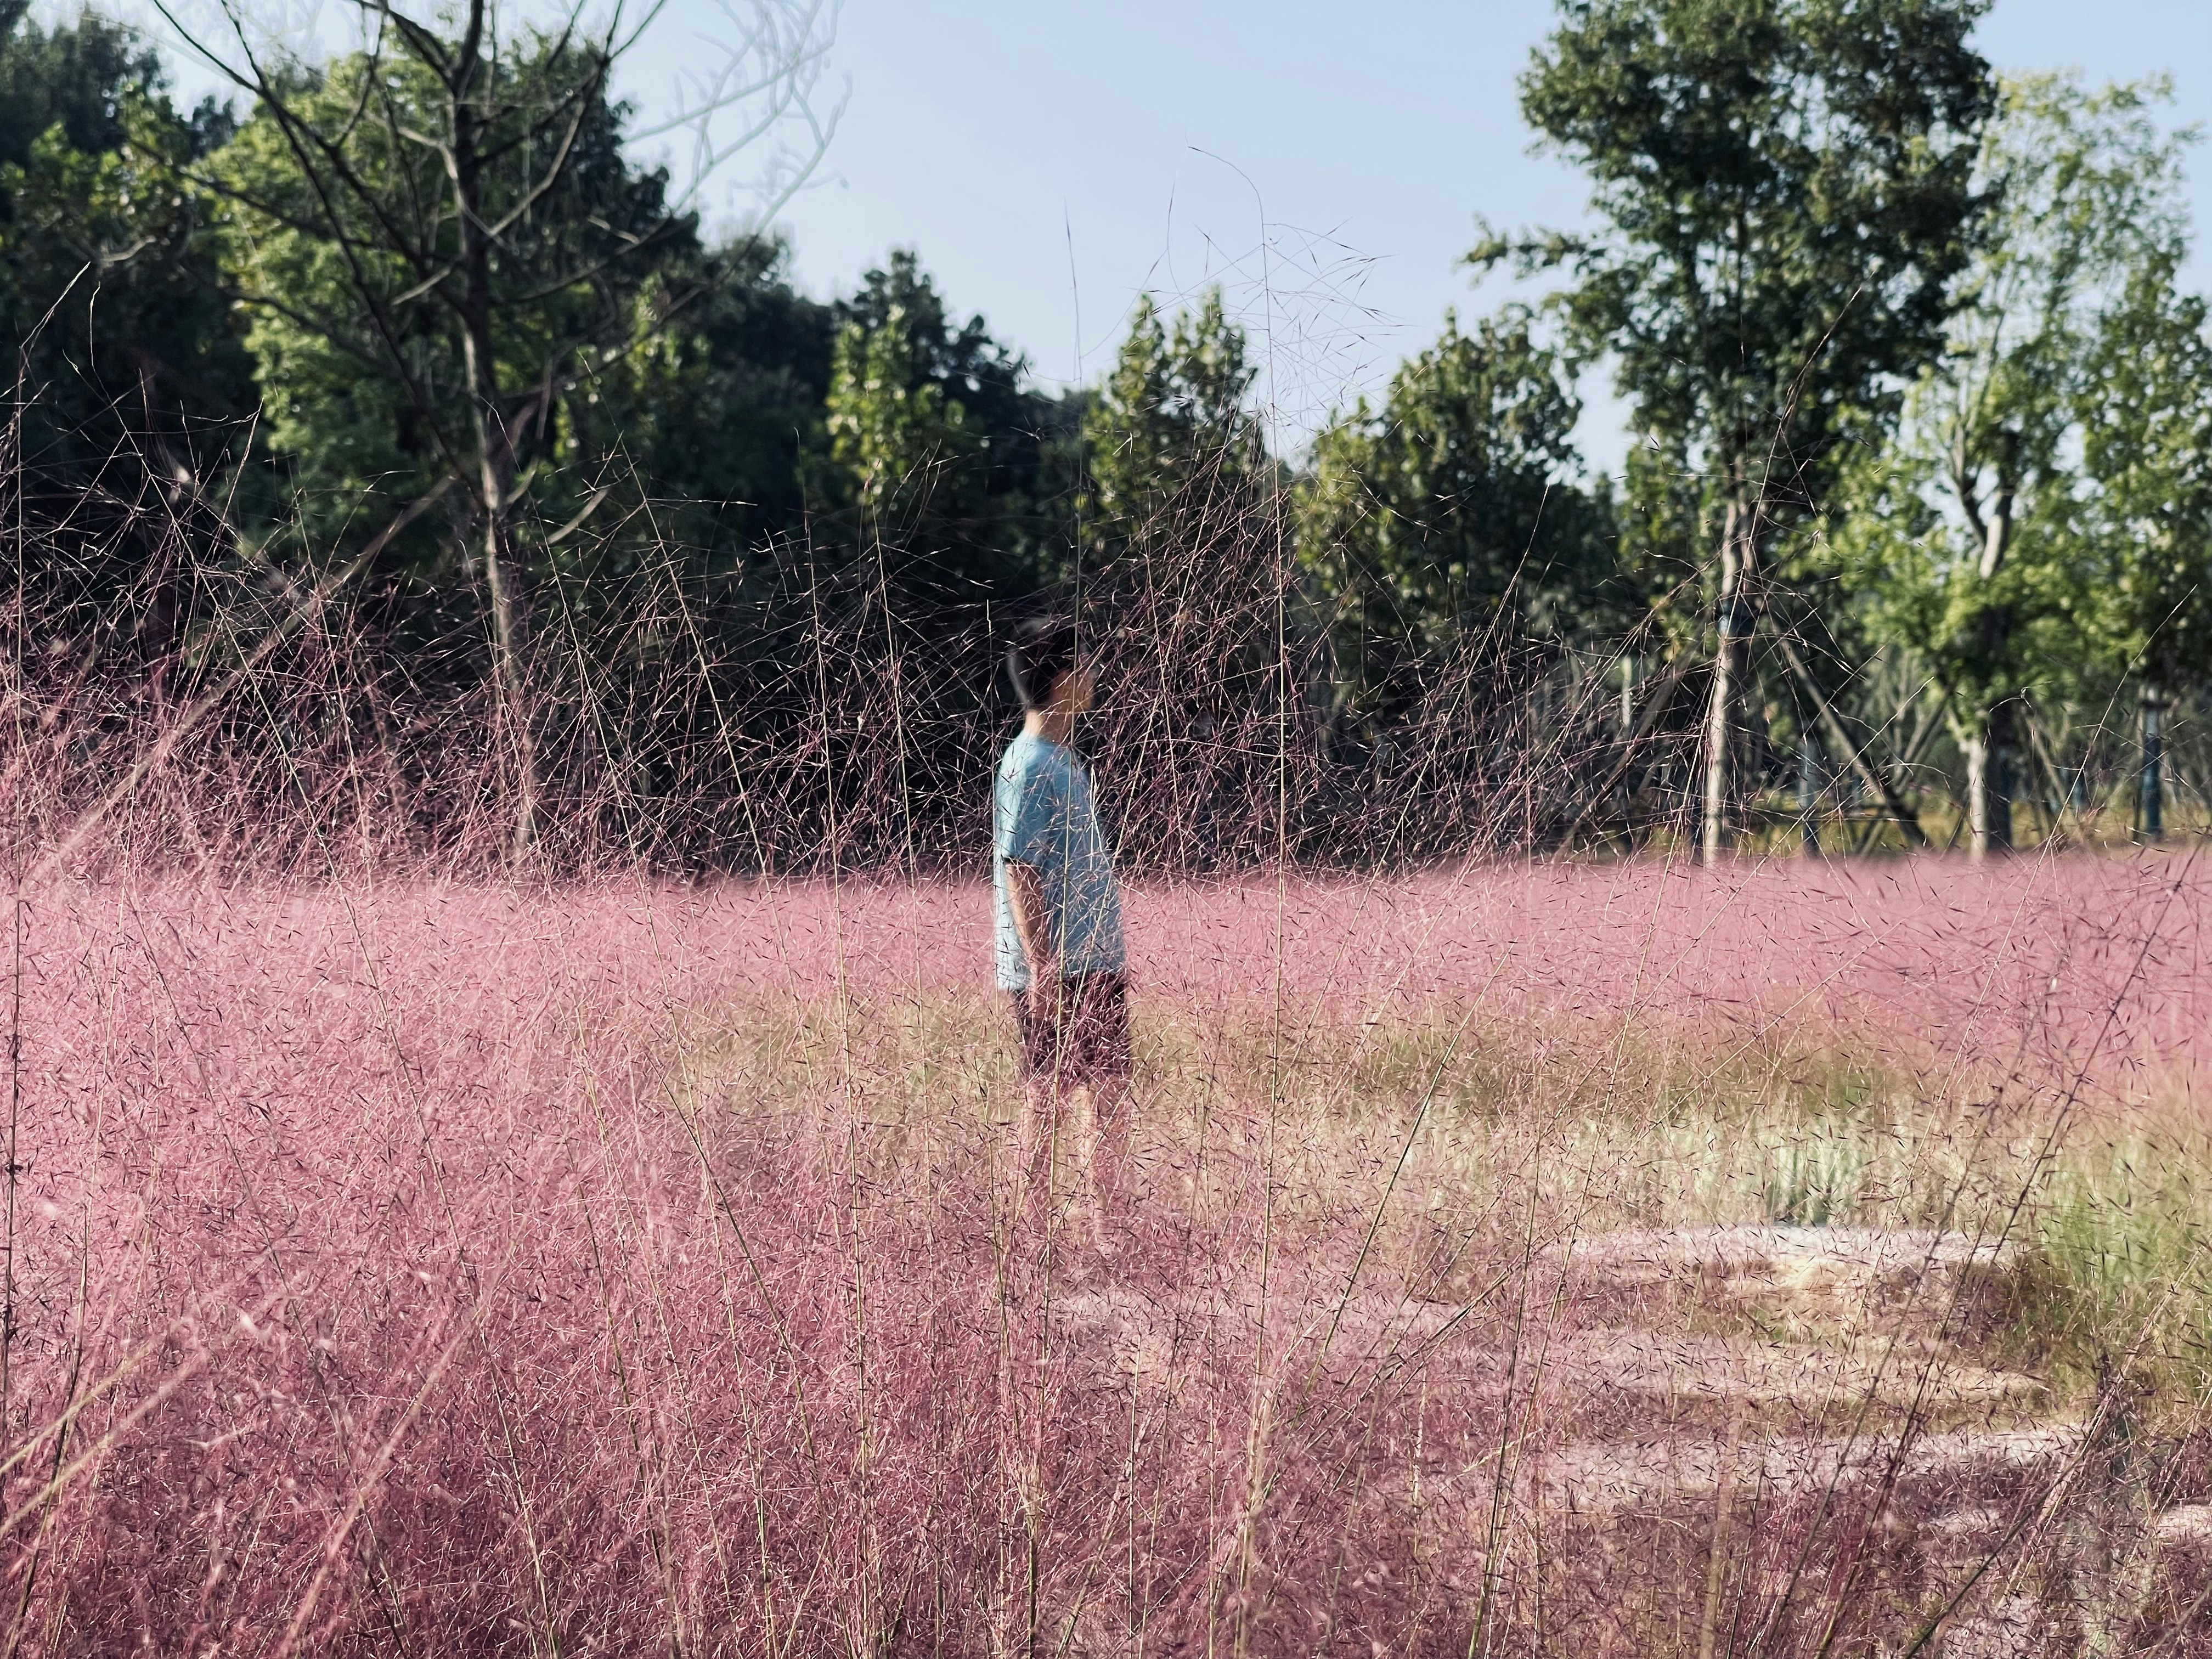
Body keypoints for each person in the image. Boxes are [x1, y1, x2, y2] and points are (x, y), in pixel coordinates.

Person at [994, 615, 1131, 1255]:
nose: (1097, 676)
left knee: (1106, 1094)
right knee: (1047, 1096)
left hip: (1092, 961)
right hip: (1058, 968)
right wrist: (1043, 966)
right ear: (1066, 679)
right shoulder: (1030, 766)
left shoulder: (1063, 762)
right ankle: (1031, 1236)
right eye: (1088, 665)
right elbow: (1020, 870)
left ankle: (1107, 1234)